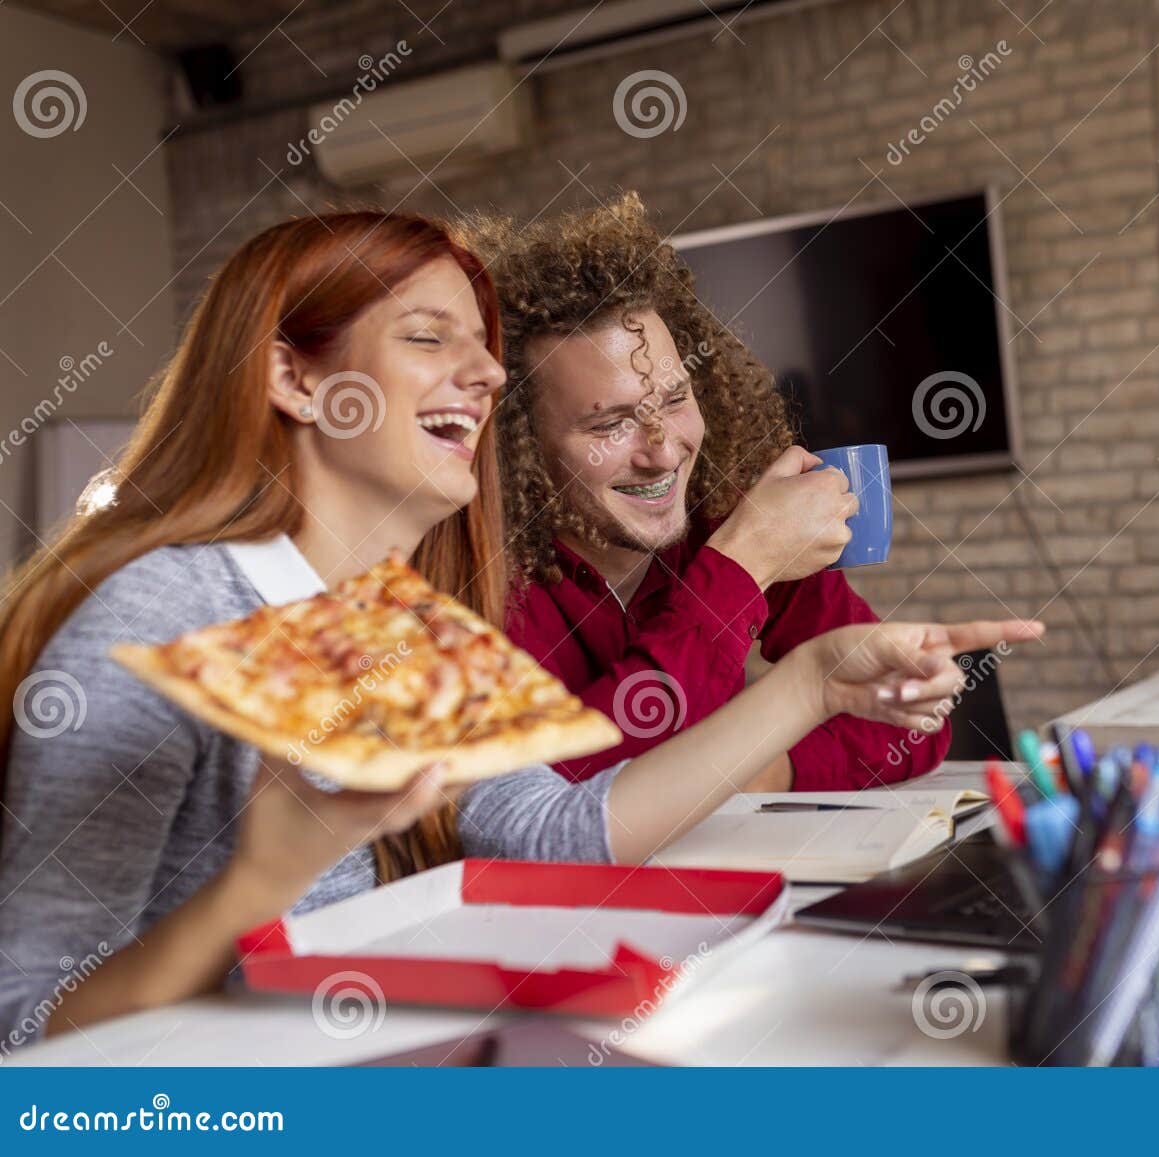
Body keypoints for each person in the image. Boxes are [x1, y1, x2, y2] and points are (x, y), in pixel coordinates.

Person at [0, 210, 1039, 1048]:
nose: (487, 373)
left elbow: (558, 832)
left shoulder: (376, 618)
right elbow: (24, 1037)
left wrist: (808, 680)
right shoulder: (160, 607)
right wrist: (257, 881)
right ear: (295, 378)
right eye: (428, 338)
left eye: (485, 349)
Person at [470, 193, 953, 792]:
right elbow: (555, 799)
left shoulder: (727, 516)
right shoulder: (480, 578)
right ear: (516, 444)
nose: (665, 451)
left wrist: (752, 774)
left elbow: (913, 721)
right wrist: (743, 566)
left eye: (674, 401)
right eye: (609, 424)